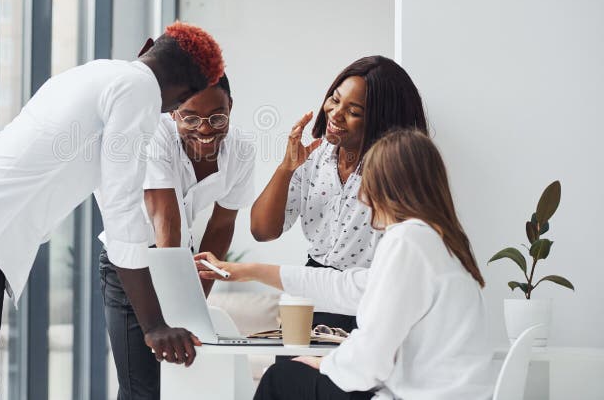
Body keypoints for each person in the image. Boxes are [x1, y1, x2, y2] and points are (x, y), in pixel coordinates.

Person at [0, 22, 224, 400]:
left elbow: (111, 195)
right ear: (187, 93)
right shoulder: (139, 90)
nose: (170, 113)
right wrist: (154, 325)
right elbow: (122, 209)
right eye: (179, 106)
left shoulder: (95, 74)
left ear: (149, 46)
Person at [197, 129, 494, 400]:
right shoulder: (442, 243)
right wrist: (249, 272)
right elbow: (348, 287)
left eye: (369, 184)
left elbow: (371, 358)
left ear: (389, 188)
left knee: (281, 378)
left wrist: (327, 364)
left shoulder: (407, 239)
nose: (363, 197)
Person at [100, 74, 256, 400]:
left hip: (177, 262)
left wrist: (193, 303)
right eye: (190, 117)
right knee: (142, 388)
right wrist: (173, 310)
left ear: (231, 107)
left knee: (179, 386)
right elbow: (165, 219)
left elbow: (221, 226)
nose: (205, 128)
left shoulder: (241, 149)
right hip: (133, 265)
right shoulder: (154, 134)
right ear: (172, 111)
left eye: (217, 116)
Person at [250, 56, 427, 332]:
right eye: (334, 99)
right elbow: (262, 230)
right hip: (313, 293)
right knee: (287, 373)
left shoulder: (396, 172)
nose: (335, 113)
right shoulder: (315, 156)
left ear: (381, 120)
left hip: (367, 298)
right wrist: (286, 167)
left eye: (354, 111)